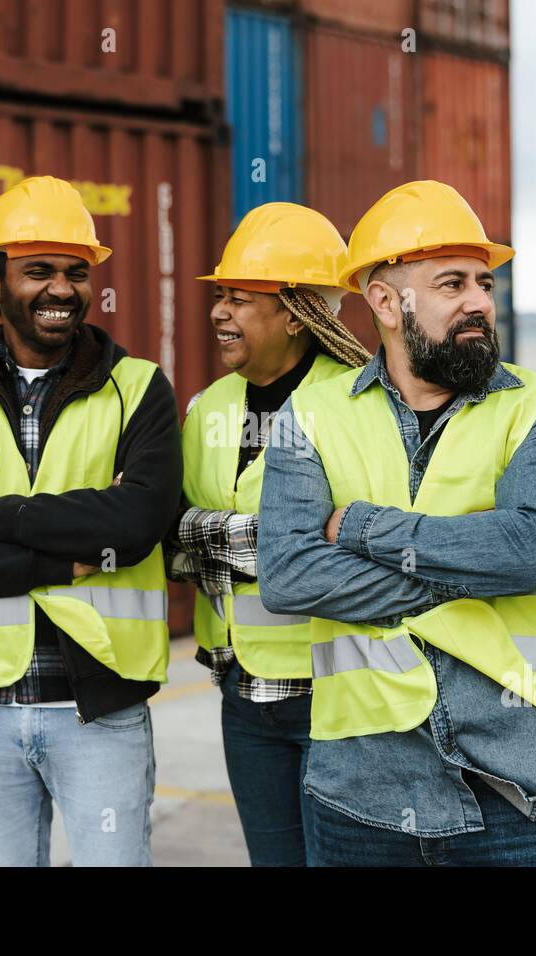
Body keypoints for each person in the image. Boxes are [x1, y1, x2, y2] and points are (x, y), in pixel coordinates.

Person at [257, 181, 536, 866]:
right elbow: (287, 577)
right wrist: (466, 580)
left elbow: (525, 553)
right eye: (451, 284)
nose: (477, 301)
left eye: (484, 283)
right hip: (359, 791)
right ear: (385, 301)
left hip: (510, 784)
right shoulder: (310, 416)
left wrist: (361, 529)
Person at [0, 175, 182, 867]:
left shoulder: (136, 387)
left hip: (100, 710)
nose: (60, 289)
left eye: (76, 273)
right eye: (38, 271)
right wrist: (58, 558)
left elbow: (135, 522)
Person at [171, 202, 371, 866]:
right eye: (220, 296)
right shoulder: (207, 408)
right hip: (242, 690)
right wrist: (266, 538)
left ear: (295, 313)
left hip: (338, 691)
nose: (219, 312)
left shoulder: (358, 406)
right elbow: (168, 539)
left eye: (240, 298)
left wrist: (215, 537)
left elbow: (352, 550)